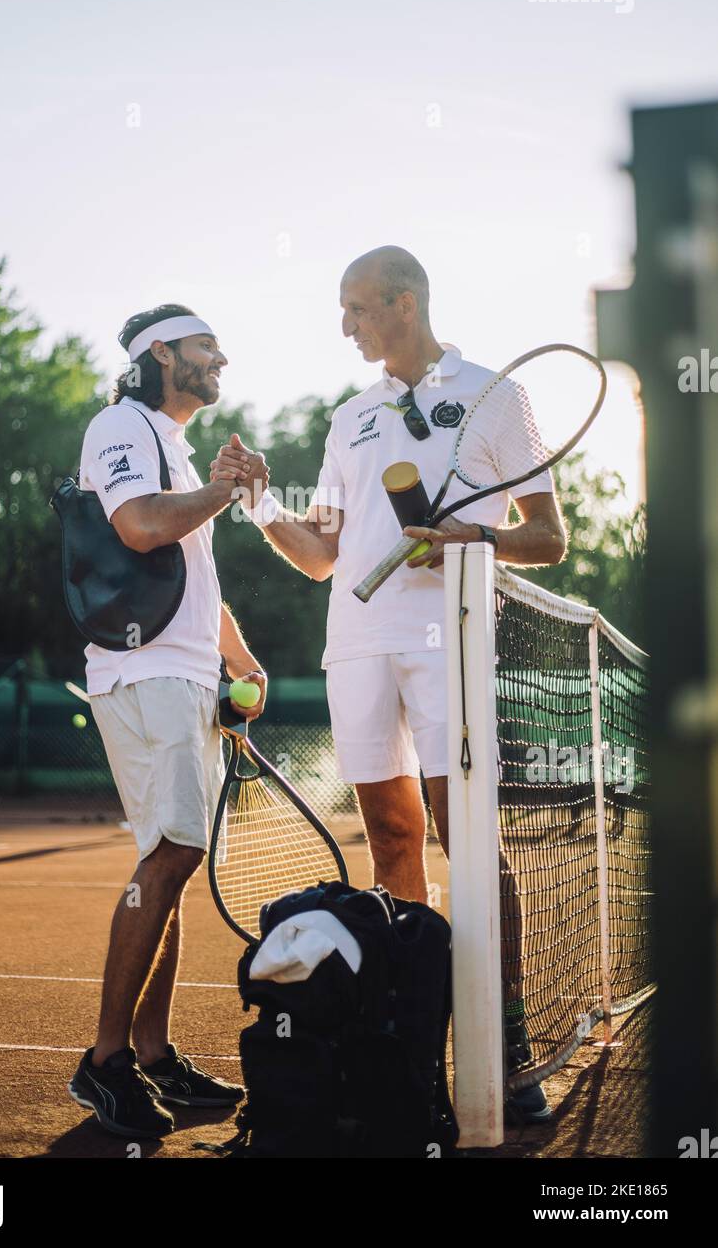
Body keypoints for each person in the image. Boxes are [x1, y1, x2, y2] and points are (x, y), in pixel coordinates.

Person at [213, 247, 565, 1123]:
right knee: (392, 841)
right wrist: (260, 501)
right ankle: (412, 1040)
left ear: (405, 303)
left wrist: (465, 543)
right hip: (358, 647)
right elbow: (324, 555)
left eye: (358, 308)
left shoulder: (494, 393)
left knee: (468, 842)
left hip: (448, 640)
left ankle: (509, 1044)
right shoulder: (351, 419)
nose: (347, 326)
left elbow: (549, 537)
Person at [68, 303, 268, 1140]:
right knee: (173, 851)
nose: (219, 358)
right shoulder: (121, 423)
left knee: (173, 857)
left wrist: (241, 662)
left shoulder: (174, 445)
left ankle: (152, 1055)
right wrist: (222, 489)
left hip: (181, 673)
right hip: (141, 669)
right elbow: (140, 527)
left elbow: (195, 571)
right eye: (203, 347)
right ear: (159, 355)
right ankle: (106, 1062)